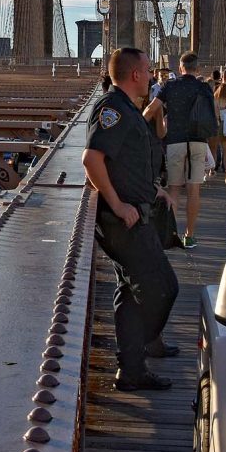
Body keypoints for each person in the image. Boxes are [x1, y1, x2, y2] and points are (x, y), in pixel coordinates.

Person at [84, 47, 181, 392]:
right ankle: (141, 345)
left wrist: (153, 190)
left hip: (135, 213)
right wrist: (120, 205)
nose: (153, 76)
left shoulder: (126, 108)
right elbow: (92, 159)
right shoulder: (113, 110)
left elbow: (125, 161)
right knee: (164, 288)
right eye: (149, 70)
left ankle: (132, 369)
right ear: (135, 75)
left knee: (129, 290)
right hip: (123, 221)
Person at [158, 52, 216, 248]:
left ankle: (171, 234)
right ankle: (189, 236)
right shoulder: (204, 87)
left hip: (175, 141)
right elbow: (213, 113)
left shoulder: (170, 86)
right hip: (198, 141)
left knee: (174, 189)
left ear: (180, 68)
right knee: (194, 189)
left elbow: (152, 109)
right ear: (197, 69)